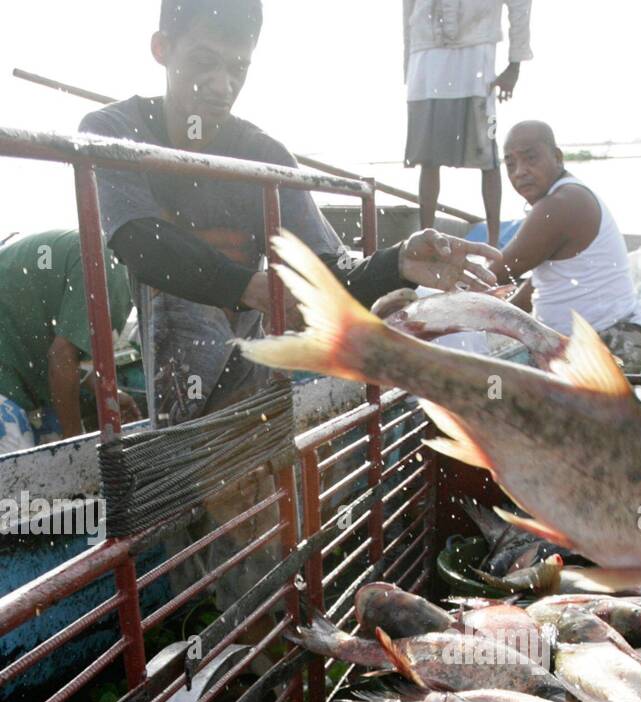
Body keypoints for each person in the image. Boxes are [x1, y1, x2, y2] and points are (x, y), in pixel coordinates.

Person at [80, 0, 501, 427]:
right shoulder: (114, 131)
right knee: (185, 459)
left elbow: (328, 271)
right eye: (204, 62)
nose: (222, 85)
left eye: (237, 69)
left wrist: (399, 263)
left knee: (250, 461)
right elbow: (136, 238)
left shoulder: (262, 156)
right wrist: (249, 285)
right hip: (171, 376)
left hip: (244, 371)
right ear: (162, 48)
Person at [499, 121, 641, 373]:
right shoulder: (556, 198)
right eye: (510, 164)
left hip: (607, 343)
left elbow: (500, 270)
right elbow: (544, 281)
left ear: (557, 157)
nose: (520, 171)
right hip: (579, 342)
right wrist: (505, 316)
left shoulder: (564, 202)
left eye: (530, 158)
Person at [404, 0, 533, 246]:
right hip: (423, 51)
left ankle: (494, 245)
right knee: (428, 158)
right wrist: (406, 64)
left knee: (487, 153)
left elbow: (520, 4)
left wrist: (514, 65)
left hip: (476, 48)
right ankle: (426, 243)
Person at [0, 230, 138, 455]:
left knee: (49, 446)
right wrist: (76, 449)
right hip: (8, 385)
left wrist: (107, 394)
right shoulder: (112, 272)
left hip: (19, 375)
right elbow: (61, 357)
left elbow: (71, 361)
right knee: (23, 461)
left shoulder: (111, 258)